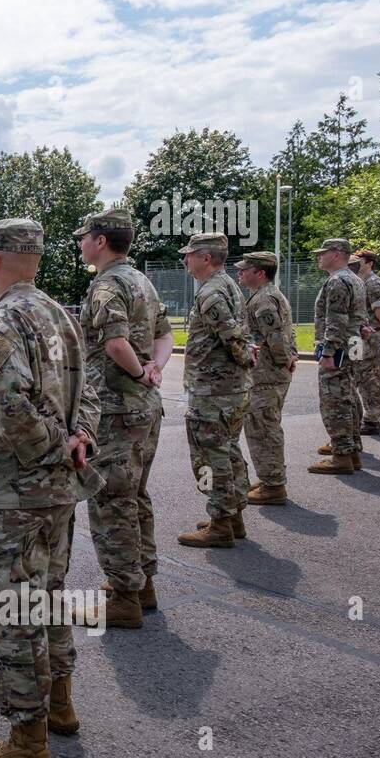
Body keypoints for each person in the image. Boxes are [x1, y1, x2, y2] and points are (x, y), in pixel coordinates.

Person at [0, 218, 102, 758]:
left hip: (16, 496)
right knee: (49, 599)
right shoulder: (60, 313)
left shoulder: (1, 323)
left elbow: (12, 412)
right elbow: (89, 390)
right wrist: (77, 441)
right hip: (61, 492)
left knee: (9, 614)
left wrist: (52, 449)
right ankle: (60, 704)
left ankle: (26, 740)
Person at [75, 209, 174, 623]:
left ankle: (123, 598)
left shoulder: (107, 285)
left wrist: (137, 371)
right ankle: (141, 583)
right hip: (145, 409)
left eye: (84, 237)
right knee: (136, 496)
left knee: (111, 500)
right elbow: (165, 335)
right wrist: (154, 370)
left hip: (114, 410)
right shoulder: (143, 282)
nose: (80, 243)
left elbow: (115, 344)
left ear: (100, 241)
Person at [177, 233, 255, 547]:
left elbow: (232, 337)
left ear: (206, 258)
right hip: (229, 389)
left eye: (190, 254)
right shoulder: (228, 285)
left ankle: (220, 523)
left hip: (214, 391)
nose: (185, 260)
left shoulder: (211, 291)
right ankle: (232, 516)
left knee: (211, 457)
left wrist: (243, 359)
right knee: (229, 451)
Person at [234, 252, 298, 504]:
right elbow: (287, 332)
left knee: (263, 429)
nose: (240, 273)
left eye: (245, 269)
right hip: (269, 373)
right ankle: (269, 476)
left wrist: (286, 359)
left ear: (260, 273)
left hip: (266, 375)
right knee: (265, 426)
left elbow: (275, 338)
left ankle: (273, 486)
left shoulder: (263, 300)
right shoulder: (267, 295)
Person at [309, 239, 368, 474]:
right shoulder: (354, 279)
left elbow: (336, 319)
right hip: (353, 344)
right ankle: (351, 450)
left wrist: (330, 352)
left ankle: (341, 455)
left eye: (322, 253)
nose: (318, 257)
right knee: (349, 397)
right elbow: (358, 316)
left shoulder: (338, 281)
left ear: (336, 254)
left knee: (334, 401)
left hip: (340, 347)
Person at [352, 248, 380, 436]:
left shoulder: (373, 282)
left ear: (369, 263)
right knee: (355, 376)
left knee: (371, 378)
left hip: (371, 337)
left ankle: (372, 419)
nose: (355, 263)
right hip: (356, 337)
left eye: (359, 260)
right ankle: (359, 416)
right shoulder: (358, 282)